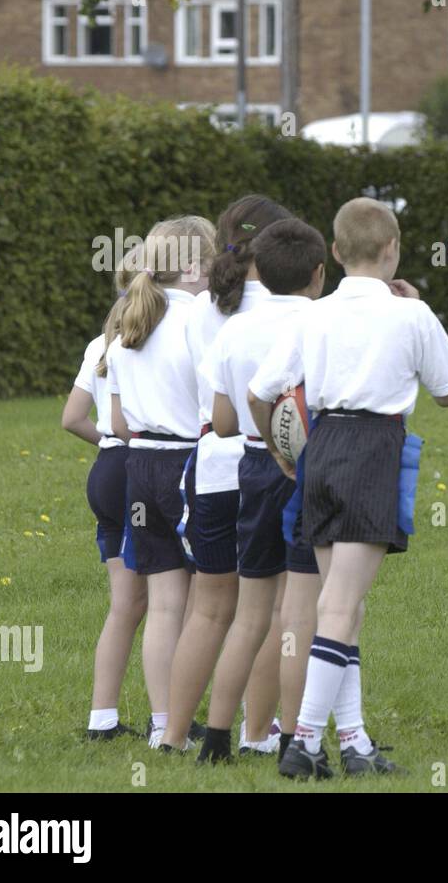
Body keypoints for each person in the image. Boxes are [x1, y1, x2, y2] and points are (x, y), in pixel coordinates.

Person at [249, 198, 448, 778]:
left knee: (340, 608)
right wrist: (420, 310)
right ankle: (303, 744)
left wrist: (281, 453)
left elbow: (260, 391)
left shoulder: (311, 314)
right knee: (341, 608)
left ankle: (355, 744)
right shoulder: (410, 315)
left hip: (320, 450)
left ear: (337, 251)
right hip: (374, 449)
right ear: (393, 248)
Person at [161, 195, 294, 755]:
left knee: (211, 610)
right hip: (270, 463)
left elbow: (210, 406)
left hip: (213, 466)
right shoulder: (296, 311)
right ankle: (258, 734)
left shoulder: (201, 308)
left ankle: (170, 737)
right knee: (272, 609)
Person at [195, 218, 328, 763]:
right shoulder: (325, 323)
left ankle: (217, 740)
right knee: (302, 616)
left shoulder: (233, 330)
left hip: (250, 466)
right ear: (320, 273)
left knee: (250, 615)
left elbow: (223, 422)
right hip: (310, 469)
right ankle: (297, 740)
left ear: (259, 273)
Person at [105, 216, 217, 748]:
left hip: (139, 463)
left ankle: (160, 724)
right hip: (188, 462)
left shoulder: (129, 317)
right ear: (196, 265)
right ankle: (183, 725)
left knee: (164, 603)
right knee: (206, 603)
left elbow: (121, 422)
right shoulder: (201, 317)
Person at [63, 248, 147, 740]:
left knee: (125, 606)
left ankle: (102, 720)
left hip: (107, 473)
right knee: (167, 603)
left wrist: (109, 446)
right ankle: (170, 721)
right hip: (143, 471)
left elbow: (72, 418)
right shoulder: (151, 339)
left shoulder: (101, 343)